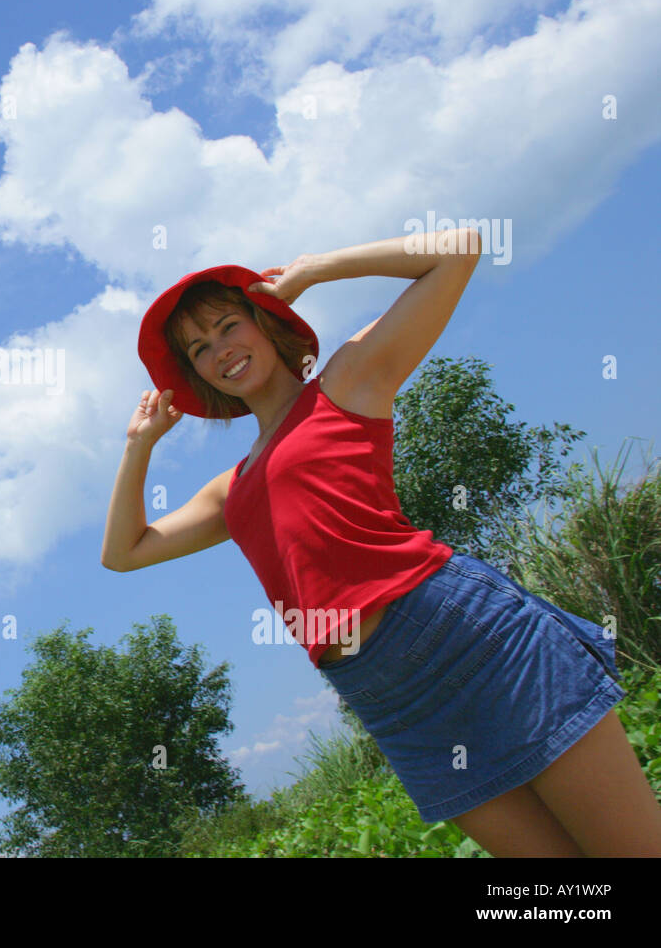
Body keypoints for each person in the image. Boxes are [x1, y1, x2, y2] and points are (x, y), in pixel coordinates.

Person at [99, 234, 661, 857]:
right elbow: (124, 551)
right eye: (200, 350)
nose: (220, 351)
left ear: (266, 321)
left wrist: (315, 270)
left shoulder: (346, 381)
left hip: (462, 635)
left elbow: (459, 251)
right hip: (386, 697)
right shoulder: (230, 489)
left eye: (229, 326)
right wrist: (139, 447)